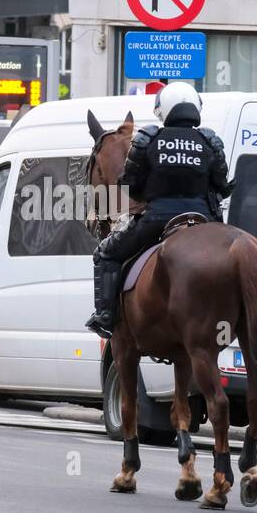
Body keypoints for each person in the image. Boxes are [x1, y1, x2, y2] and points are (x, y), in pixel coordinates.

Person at [85, 82, 232, 340]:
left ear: (162, 110)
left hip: (156, 219)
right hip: (205, 222)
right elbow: (222, 185)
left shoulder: (149, 138)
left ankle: (106, 318)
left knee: (105, 253)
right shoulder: (209, 140)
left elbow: (129, 184)